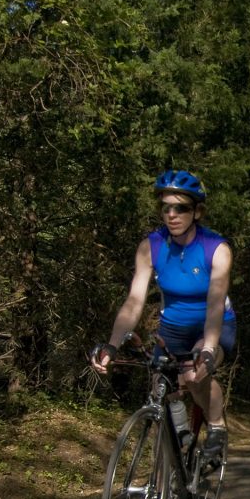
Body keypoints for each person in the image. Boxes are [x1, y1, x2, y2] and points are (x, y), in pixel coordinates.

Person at [90, 169, 236, 467]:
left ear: (197, 211)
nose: (171, 214)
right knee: (160, 383)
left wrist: (208, 349)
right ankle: (177, 443)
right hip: (173, 326)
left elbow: (214, 305)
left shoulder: (216, 249)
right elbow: (134, 301)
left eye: (180, 207)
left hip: (215, 323)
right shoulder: (151, 246)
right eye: (165, 207)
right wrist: (113, 345)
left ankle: (217, 427)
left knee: (194, 375)